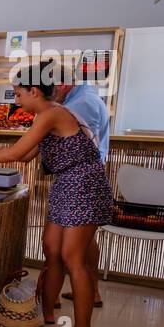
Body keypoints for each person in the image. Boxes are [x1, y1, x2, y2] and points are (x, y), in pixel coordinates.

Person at [0, 59, 114, 327]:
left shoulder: (53, 114)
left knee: (73, 258)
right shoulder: (47, 115)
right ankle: (47, 314)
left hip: (83, 186)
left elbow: (16, 155)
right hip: (67, 185)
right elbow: (27, 153)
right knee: (52, 250)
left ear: (34, 91)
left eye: (18, 94)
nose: (16, 100)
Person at [53, 72, 112, 307]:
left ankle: (80, 325)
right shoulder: (80, 98)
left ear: (65, 83)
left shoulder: (80, 104)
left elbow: (77, 149)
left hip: (81, 183)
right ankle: (91, 292)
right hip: (83, 180)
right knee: (85, 242)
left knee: (72, 253)